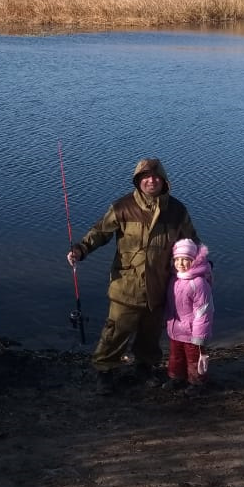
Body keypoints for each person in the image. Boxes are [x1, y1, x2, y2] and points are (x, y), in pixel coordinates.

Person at [66, 157, 199, 395]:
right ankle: (105, 371)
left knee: (151, 335)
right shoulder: (122, 207)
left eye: (156, 177)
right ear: (138, 181)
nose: (151, 181)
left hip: (159, 285)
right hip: (126, 286)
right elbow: (99, 233)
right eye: (146, 177)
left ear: (164, 181)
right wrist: (80, 250)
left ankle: (145, 368)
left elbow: (191, 242)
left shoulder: (177, 210)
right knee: (116, 331)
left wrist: (202, 268)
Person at [163, 238, 214, 398]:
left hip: (193, 332)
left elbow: (203, 311)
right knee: (175, 356)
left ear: (194, 260)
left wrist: (199, 335)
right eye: (177, 259)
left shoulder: (198, 283)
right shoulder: (175, 279)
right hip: (176, 329)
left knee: (194, 359)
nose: (181, 263)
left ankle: (197, 383)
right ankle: (177, 378)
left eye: (185, 260)